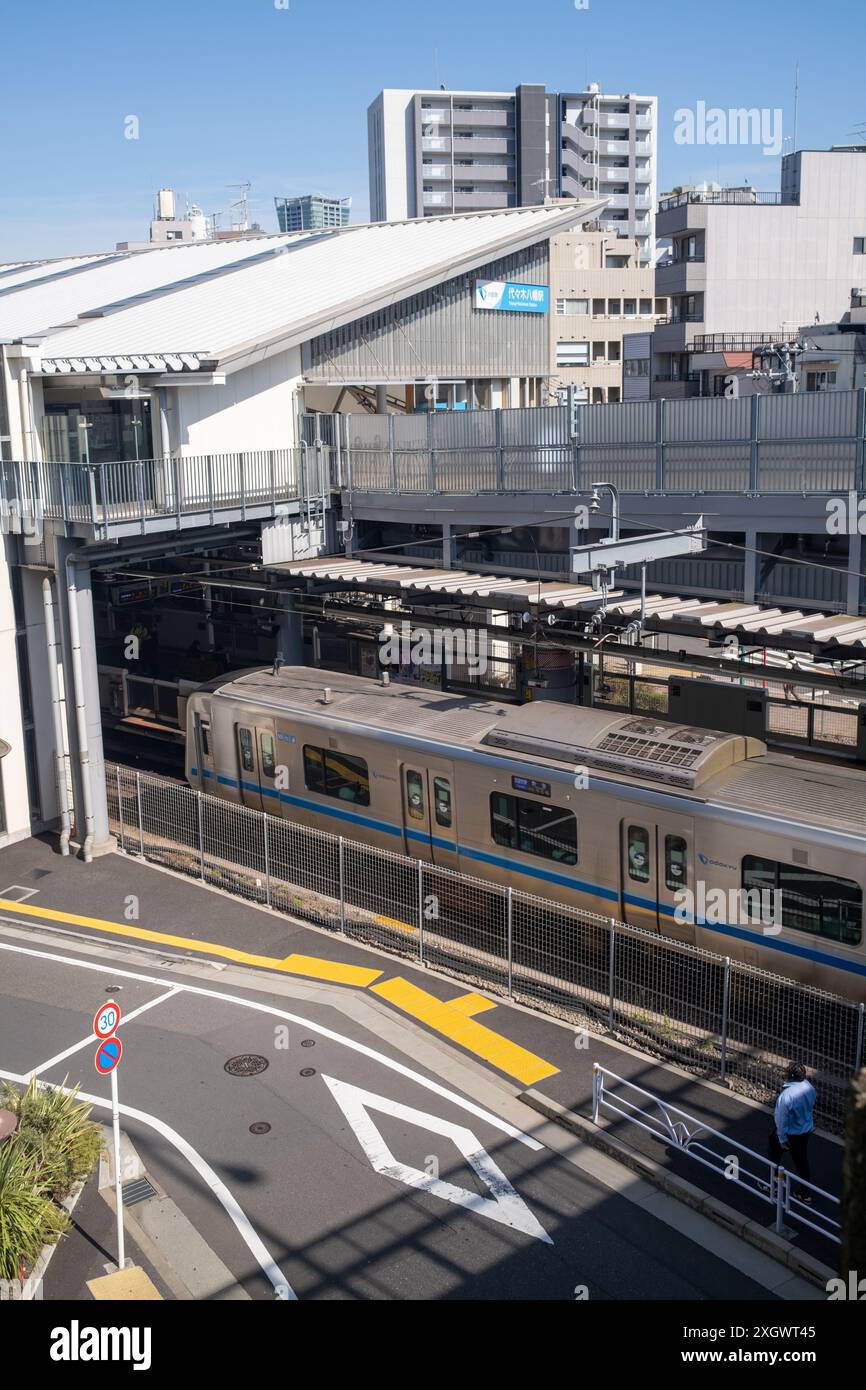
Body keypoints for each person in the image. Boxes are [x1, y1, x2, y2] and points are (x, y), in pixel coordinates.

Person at [769, 1062, 817, 1201]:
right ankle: (805, 1193)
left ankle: (774, 1184)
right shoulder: (809, 1088)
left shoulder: (786, 1096)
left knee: (774, 1155)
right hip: (805, 1131)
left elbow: (781, 1120)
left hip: (789, 1134)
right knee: (801, 1161)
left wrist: (782, 1139)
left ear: (790, 1076)